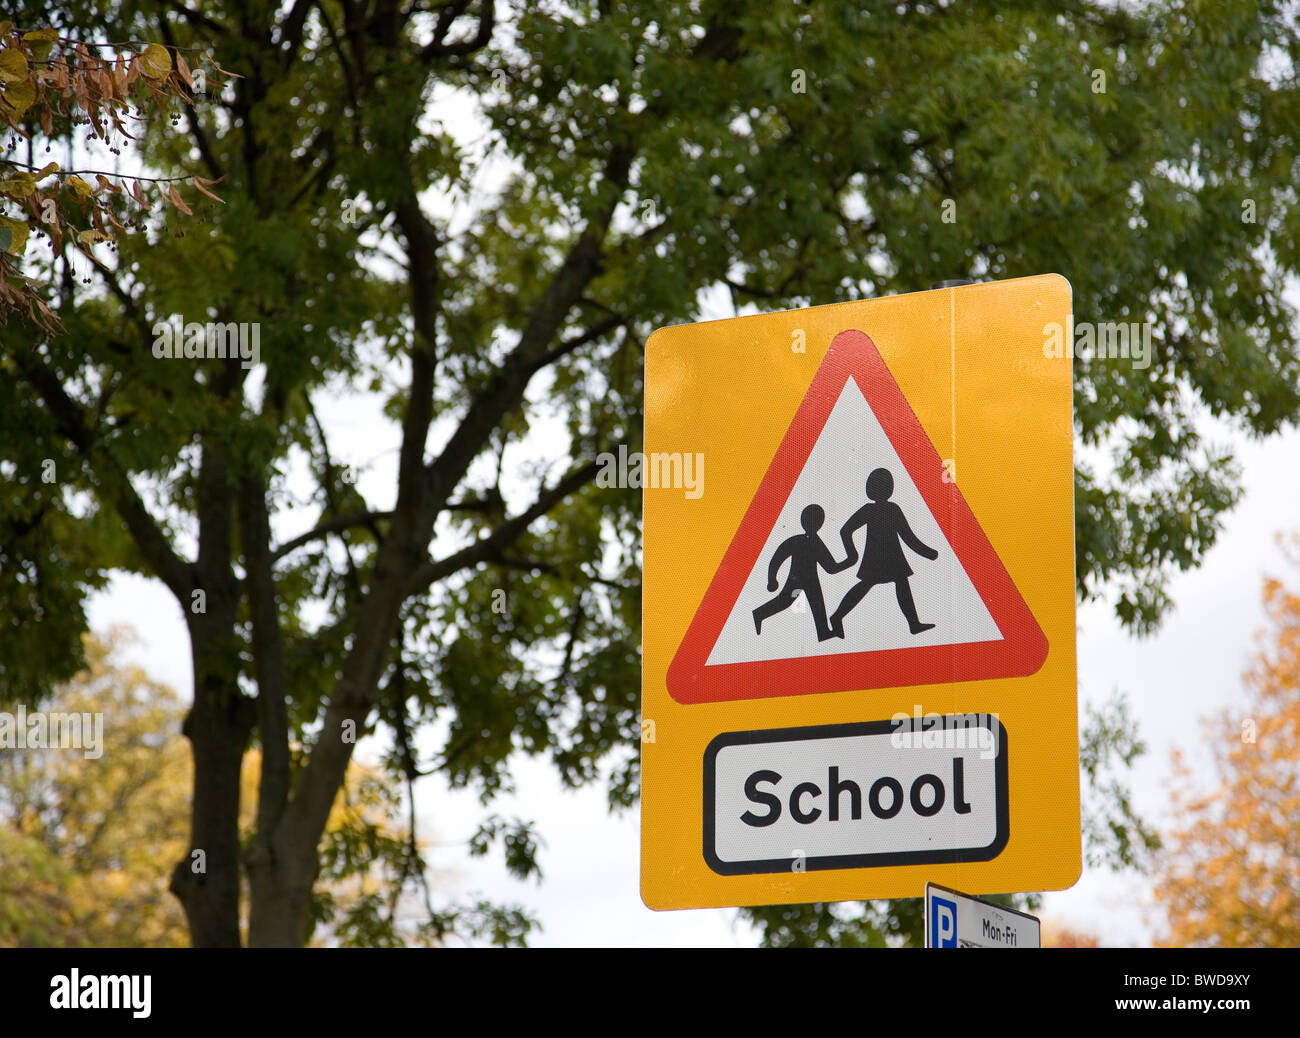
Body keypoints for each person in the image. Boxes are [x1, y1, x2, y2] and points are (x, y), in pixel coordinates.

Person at [830, 467, 939, 638]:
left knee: (899, 583)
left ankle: (914, 624)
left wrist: (927, 552)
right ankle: (837, 616)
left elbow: (907, 535)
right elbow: (908, 537)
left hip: (890, 557)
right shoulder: (885, 509)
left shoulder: (884, 509)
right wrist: (928, 553)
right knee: (871, 585)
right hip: (880, 558)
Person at [753, 504, 855, 641]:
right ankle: (759, 614)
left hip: (811, 580)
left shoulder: (813, 541)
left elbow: (830, 567)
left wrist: (849, 561)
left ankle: (823, 631)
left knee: (816, 603)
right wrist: (772, 579)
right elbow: (778, 557)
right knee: (786, 601)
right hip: (798, 580)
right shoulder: (802, 541)